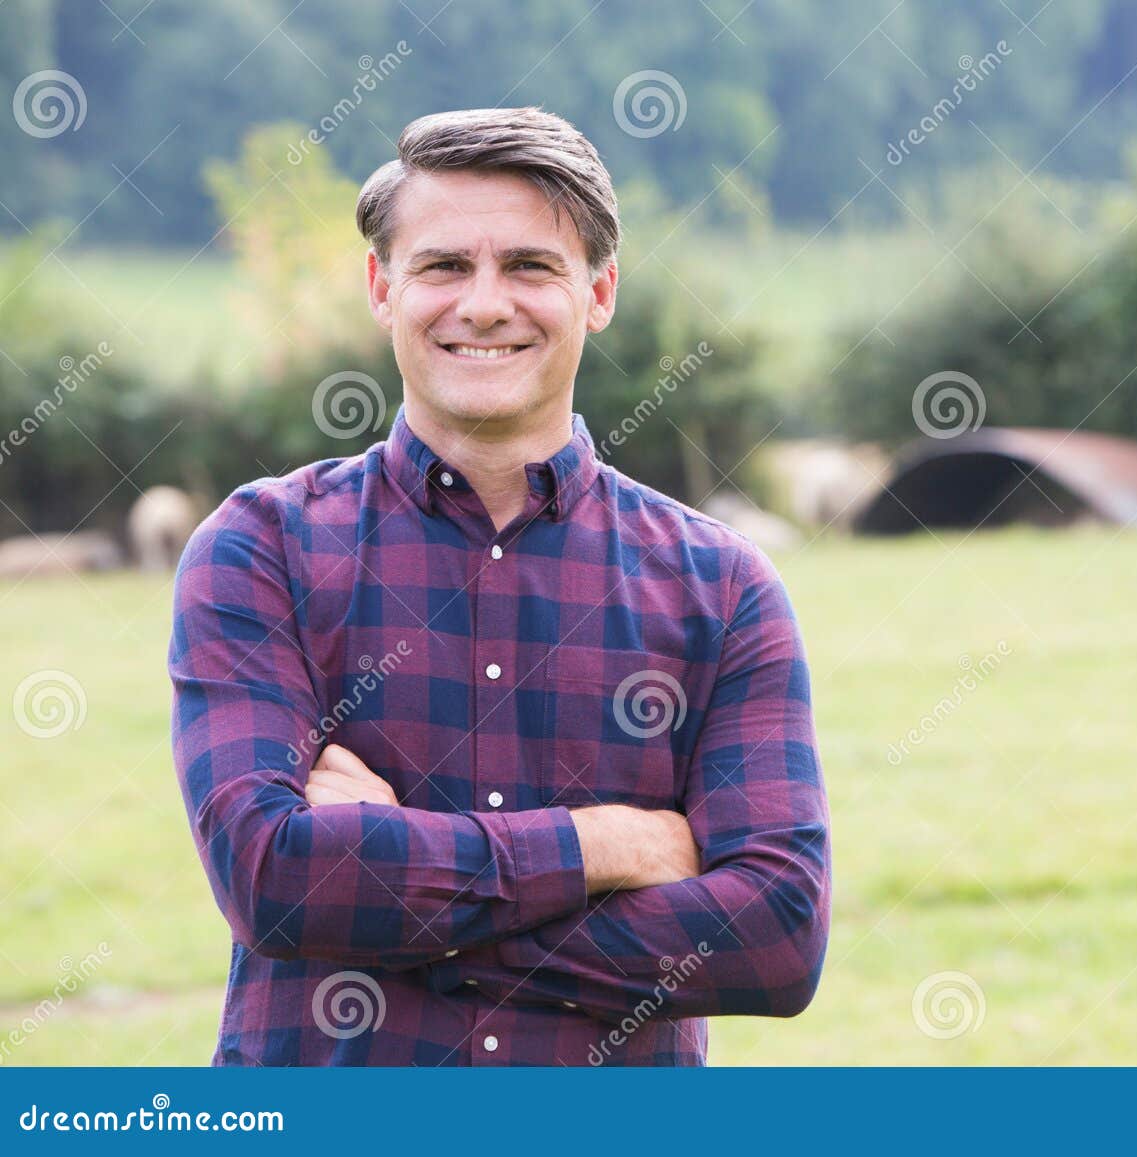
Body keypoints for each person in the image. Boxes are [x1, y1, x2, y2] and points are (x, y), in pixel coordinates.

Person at [167, 106, 830, 1066]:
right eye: (443, 266)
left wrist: (404, 892)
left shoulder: (722, 587)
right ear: (380, 287)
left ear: (598, 292)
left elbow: (775, 941)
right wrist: (605, 846)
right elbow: (274, 878)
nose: (483, 304)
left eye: (529, 266)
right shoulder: (262, 548)